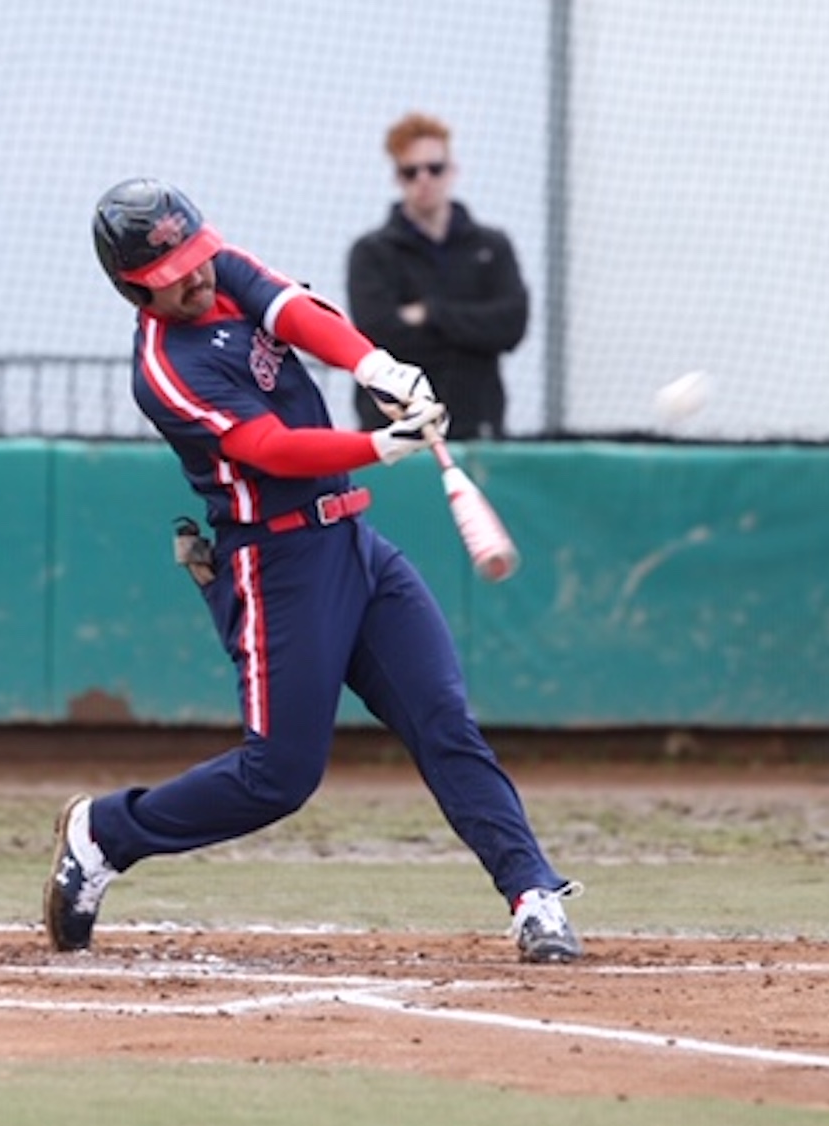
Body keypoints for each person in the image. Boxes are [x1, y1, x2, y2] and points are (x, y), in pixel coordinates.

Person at [46, 177, 580, 964]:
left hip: (353, 543)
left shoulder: (217, 267)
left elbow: (292, 308)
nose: (198, 277)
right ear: (134, 287)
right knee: (279, 775)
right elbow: (268, 449)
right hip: (274, 565)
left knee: (444, 720)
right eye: (173, 276)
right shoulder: (165, 369)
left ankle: (534, 893)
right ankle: (104, 833)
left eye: (197, 258)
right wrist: (378, 446)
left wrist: (376, 365)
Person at [346, 112, 529, 440]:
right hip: (396, 432)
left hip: (476, 426)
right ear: (398, 178)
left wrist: (430, 313)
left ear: (452, 170)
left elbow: (511, 325)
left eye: (435, 168)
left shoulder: (491, 247)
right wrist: (471, 330)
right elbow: (378, 331)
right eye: (411, 171)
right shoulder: (372, 253)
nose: (424, 179)